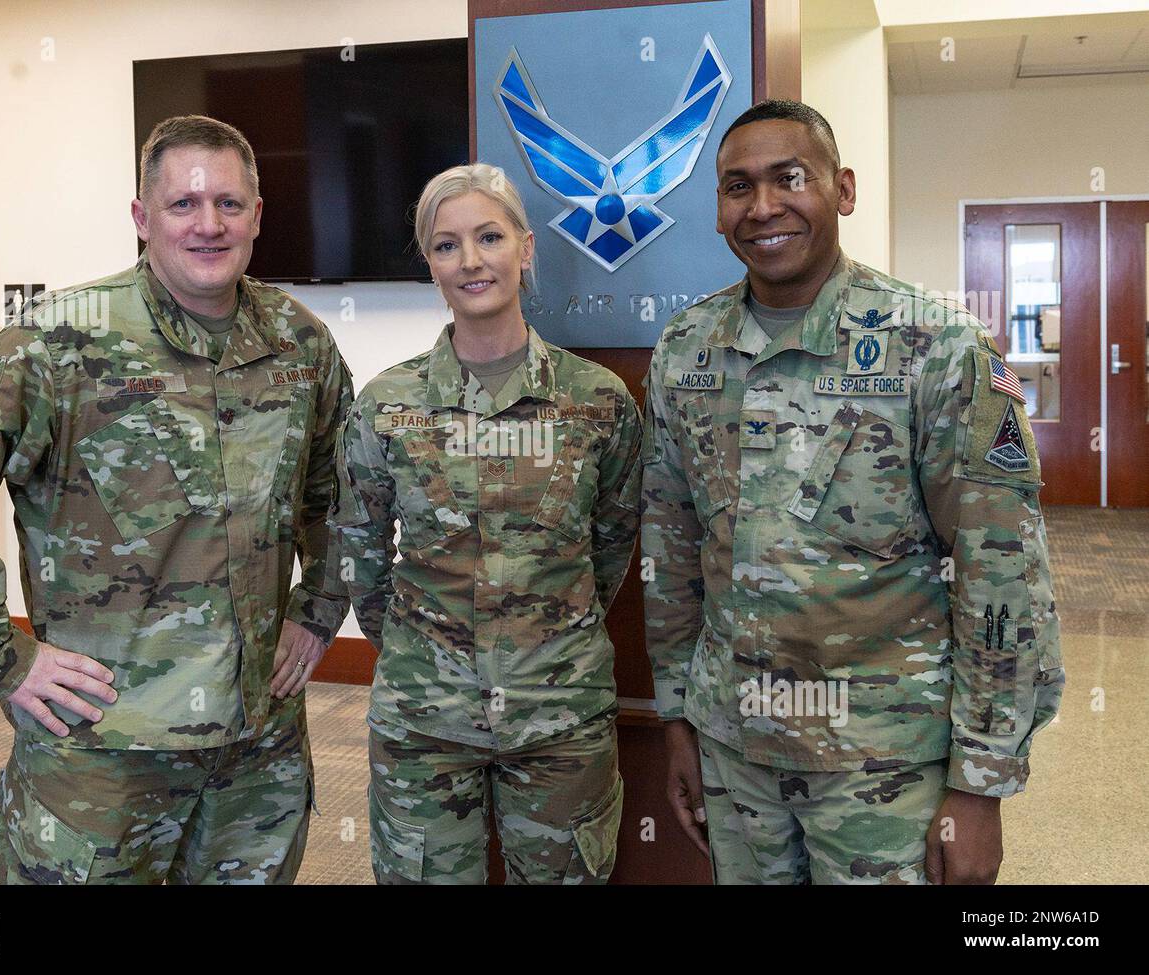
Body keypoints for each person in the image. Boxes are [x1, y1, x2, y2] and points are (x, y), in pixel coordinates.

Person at [0, 115, 353, 884]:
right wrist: (2, 658)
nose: (208, 224)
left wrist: (320, 606)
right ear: (141, 218)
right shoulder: (60, 339)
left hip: (255, 753)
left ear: (258, 217)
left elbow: (338, 489)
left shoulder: (300, 344)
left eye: (229, 204)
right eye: (183, 205)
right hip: (102, 755)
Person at [642, 99, 1063, 885]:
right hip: (736, 753)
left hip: (884, 762)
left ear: (843, 189)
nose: (763, 207)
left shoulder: (936, 348)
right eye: (737, 187)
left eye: (788, 178)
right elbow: (669, 552)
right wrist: (679, 720)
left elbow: (1002, 574)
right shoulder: (685, 350)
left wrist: (981, 785)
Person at [332, 163, 642, 884]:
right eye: (446, 245)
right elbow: (362, 556)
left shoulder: (598, 402)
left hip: (560, 715)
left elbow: (613, 545)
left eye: (489, 236)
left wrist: (546, 642)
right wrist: (425, 657)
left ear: (525, 249)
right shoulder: (388, 405)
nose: (470, 261)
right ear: (431, 266)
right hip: (424, 721)